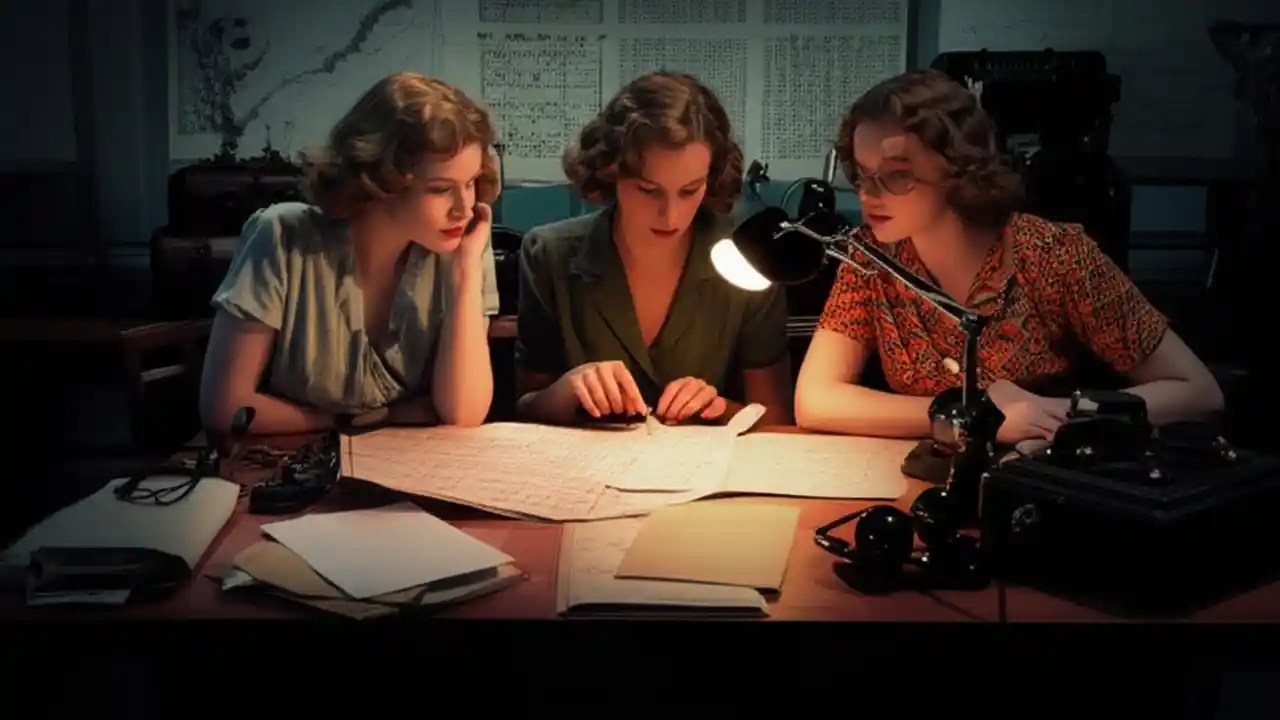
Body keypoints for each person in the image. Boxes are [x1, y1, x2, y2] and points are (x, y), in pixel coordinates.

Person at [795, 69, 1224, 445]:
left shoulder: (1053, 255)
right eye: (862, 174)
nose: (868, 194)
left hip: (1043, 477)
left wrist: (1063, 415)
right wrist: (968, 417)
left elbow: (1198, 393)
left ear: (958, 168)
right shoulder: (871, 258)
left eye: (896, 175)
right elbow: (815, 400)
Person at [198, 72, 502, 437]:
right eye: (440, 189)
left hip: (409, 460)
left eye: (470, 183)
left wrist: (465, 275)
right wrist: (347, 422)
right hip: (292, 454)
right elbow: (226, 408)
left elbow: (462, 414)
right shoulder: (282, 237)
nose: (465, 208)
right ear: (380, 179)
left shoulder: (462, 244)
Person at [514, 71, 793, 427]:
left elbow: (776, 421)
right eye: (648, 190)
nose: (670, 215)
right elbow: (524, 408)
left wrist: (719, 408)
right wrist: (567, 391)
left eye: (689, 190)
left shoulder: (748, 261)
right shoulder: (549, 255)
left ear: (710, 179)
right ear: (611, 172)